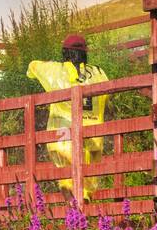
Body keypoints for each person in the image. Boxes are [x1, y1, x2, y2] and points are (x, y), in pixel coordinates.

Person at [27, 34, 109, 200]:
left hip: (63, 139)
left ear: (65, 53)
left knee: (68, 183)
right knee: (88, 188)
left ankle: (73, 218)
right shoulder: (99, 72)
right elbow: (108, 95)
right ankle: (86, 216)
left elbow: (32, 67)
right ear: (85, 53)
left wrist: (48, 63)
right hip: (93, 139)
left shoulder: (54, 71)